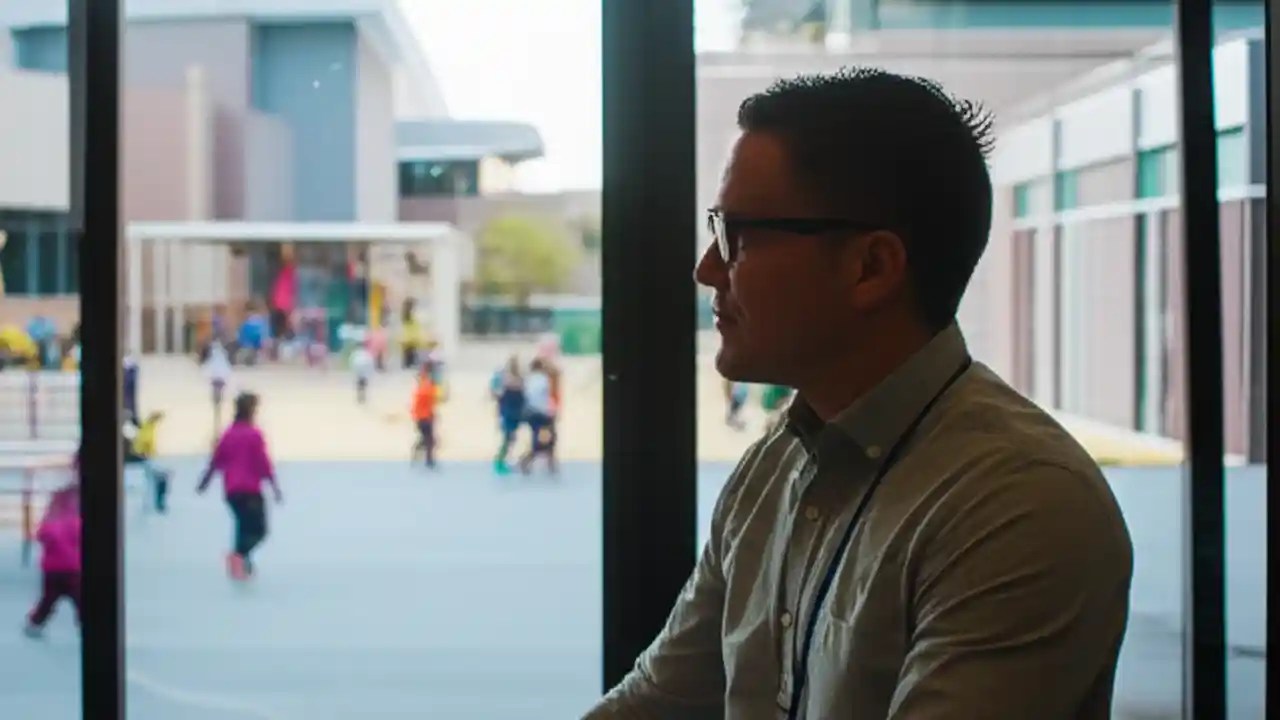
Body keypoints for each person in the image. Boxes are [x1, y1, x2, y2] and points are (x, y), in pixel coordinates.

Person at [586, 69, 1133, 719]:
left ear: (870, 267)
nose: (707, 268)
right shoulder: (775, 467)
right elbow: (662, 701)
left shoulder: (1020, 504)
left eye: (739, 234)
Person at [197, 393, 282, 581]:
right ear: (251, 410)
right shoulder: (254, 434)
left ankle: (242, 565)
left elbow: (216, 460)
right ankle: (238, 556)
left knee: (242, 527)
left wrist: (205, 482)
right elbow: (263, 463)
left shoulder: (228, 434)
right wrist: (275, 487)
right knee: (260, 530)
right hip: (250, 489)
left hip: (232, 490)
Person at [24, 482, 81, 638]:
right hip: (73, 568)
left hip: (53, 568)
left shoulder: (51, 521)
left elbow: (42, 536)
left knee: (48, 599)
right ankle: (87, 624)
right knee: (80, 599)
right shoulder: (76, 522)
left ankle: (35, 622)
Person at [124, 410, 171, 513]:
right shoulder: (147, 428)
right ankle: (157, 504)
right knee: (158, 478)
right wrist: (144, 452)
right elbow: (141, 443)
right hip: (145, 458)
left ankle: (155, 503)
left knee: (155, 479)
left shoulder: (149, 427)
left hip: (147, 457)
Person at [518, 357, 558, 476]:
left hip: (531, 412)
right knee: (547, 438)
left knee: (540, 438)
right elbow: (544, 395)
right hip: (542, 412)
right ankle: (527, 460)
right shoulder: (543, 379)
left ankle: (542, 462)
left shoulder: (529, 379)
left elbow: (527, 395)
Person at [490, 356, 526, 475]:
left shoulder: (511, 380)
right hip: (509, 413)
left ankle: (504, 460)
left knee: (511, 438)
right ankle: (500, 461)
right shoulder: (512, 380)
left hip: (511, 412)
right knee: (508, 438)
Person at [409, 363, 439, 469]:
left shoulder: (422, 388)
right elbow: (429, 403)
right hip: (425, 417)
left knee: (427, 439)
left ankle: (425, 458)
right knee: (429, 440)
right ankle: (428, 460)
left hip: (421, 417)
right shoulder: (426, 388)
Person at [350, 340, 375, 405]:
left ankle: (360, 396)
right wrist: (370, 372)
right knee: (363, 384)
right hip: (365, 369)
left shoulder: (355, 353)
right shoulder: (367, 353)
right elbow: (370, 362)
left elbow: (352, 362)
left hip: (358, 368)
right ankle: (362, 396)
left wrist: (353, 372)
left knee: (358, 384)